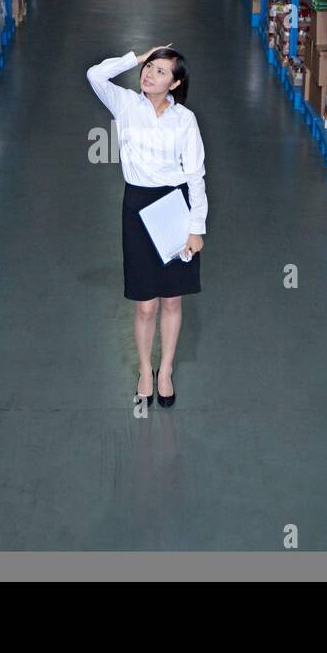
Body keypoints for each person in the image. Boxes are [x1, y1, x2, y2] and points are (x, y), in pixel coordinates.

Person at [87, 45, 207, 408]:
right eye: (149, 68)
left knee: (171, 299)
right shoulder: (125, 104)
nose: (150, 75)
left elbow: (196, 175)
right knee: (145, 305)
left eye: (160, 71)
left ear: (175, 83)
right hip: (138, 206)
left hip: (175, 207)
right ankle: (144, 369)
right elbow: (95, 74)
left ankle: (166, 369)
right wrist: (135, 58)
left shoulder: (185, 120)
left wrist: (196, 227)